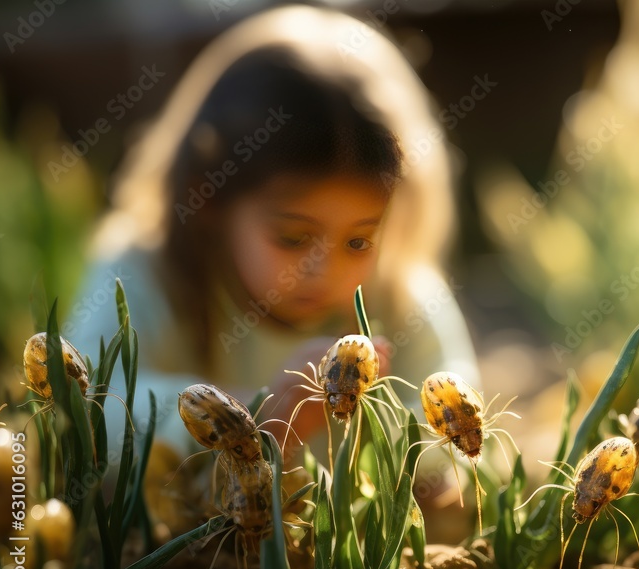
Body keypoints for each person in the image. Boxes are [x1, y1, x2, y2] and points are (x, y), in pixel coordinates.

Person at [66, 6, 479, 471]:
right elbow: (89, 404)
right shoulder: (144, 274)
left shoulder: (397, 292)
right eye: (293, 238)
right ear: (206, 197)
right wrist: (247, 419)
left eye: (358, 242)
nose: (325, 270)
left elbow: (458, 420)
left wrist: (418, 463)